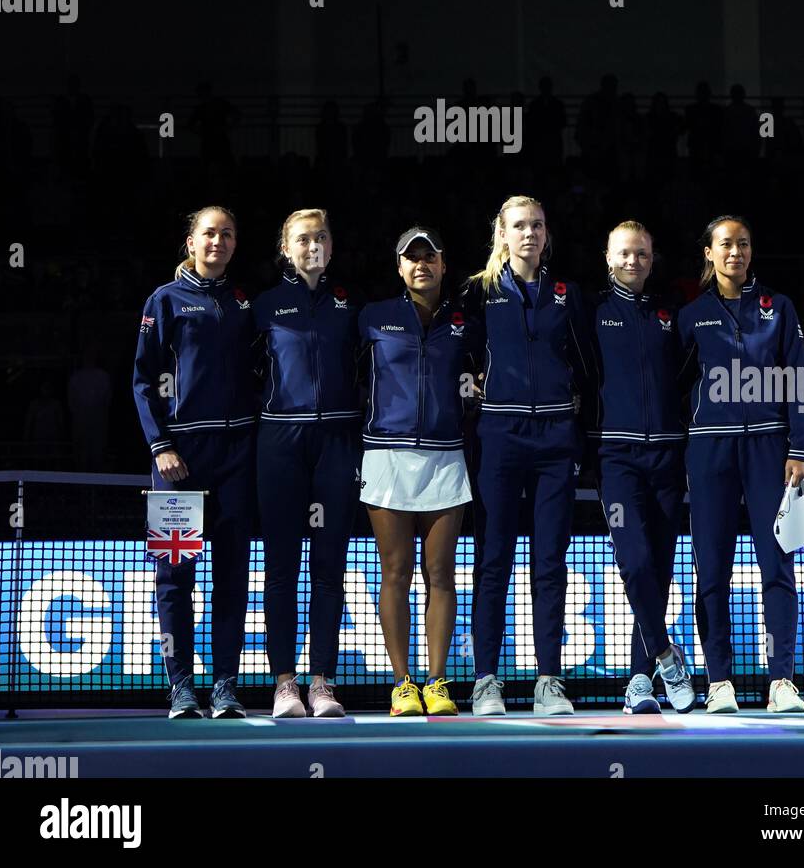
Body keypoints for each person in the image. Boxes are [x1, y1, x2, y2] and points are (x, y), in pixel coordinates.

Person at [464, 195, 592, 717]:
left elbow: (586, 362)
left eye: (537, 225)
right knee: (493, 559)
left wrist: (579, 412)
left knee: (550, 562)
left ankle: (548, 681)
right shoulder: (478, 291)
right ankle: (485, 681)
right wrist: (471, 391)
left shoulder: (566, 294)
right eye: (519, 225)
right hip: (500, 435)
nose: (529, 233)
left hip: (556, 439)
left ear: (546, 234)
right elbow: (462, 354)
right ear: (502, 233)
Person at [678, 215, 804, 714]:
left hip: (770, 451)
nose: (736, 252)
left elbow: (799, 377)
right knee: (712, 569)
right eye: (726, 244)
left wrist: (801, 448)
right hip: (709, 450)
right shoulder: (691, 316)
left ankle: (781, 681)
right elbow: (672, 387)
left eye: (744, 244)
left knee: (776, 565)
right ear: (709, 253)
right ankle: (719, 682)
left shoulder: (779, 308)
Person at [133, 206, 258, 719]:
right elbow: (142, 381)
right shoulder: (163, 300)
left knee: (231, 575)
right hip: (178, 463)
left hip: (235, 460)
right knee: (174, 576)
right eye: (209, 233)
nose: (218, 241)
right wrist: (160, 446)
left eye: (227, 233)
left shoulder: (244, 303)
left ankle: (225, 686)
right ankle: (181, 686)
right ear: (191, 242)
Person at [358, 227, 480, 717]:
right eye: (412, 257)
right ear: (399, 267)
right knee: (396, 572)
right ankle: (402, 684)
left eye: (430, 256)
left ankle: (436, 682)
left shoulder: (464, 323)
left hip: (445, 456)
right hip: (386, 455)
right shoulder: (373, 318)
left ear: (444, 265)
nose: (421, 264)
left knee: (441, 574)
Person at [253, 208, 362, 719]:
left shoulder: (351, 307)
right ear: (286, 248)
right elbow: (245, 373)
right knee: (281, 567)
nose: (312, 245)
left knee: (329, 568)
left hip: (337, 442)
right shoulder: (264, 307)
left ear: (332, 246)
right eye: (302, 238)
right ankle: (284, 684)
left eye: (320, 237)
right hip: (280, 441)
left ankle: (322, 683)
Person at [587, 221, 695, 714]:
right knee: (633, 562)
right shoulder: (591, 312)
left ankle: (638, 680)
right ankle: (667, 658)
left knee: (659, 568)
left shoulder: (671, 314)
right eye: (625, 253)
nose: (634, 261)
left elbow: (689, 375)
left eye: (642, 254)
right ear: (609, 258)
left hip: (668, 457)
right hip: (616, 458)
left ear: (652, 259)